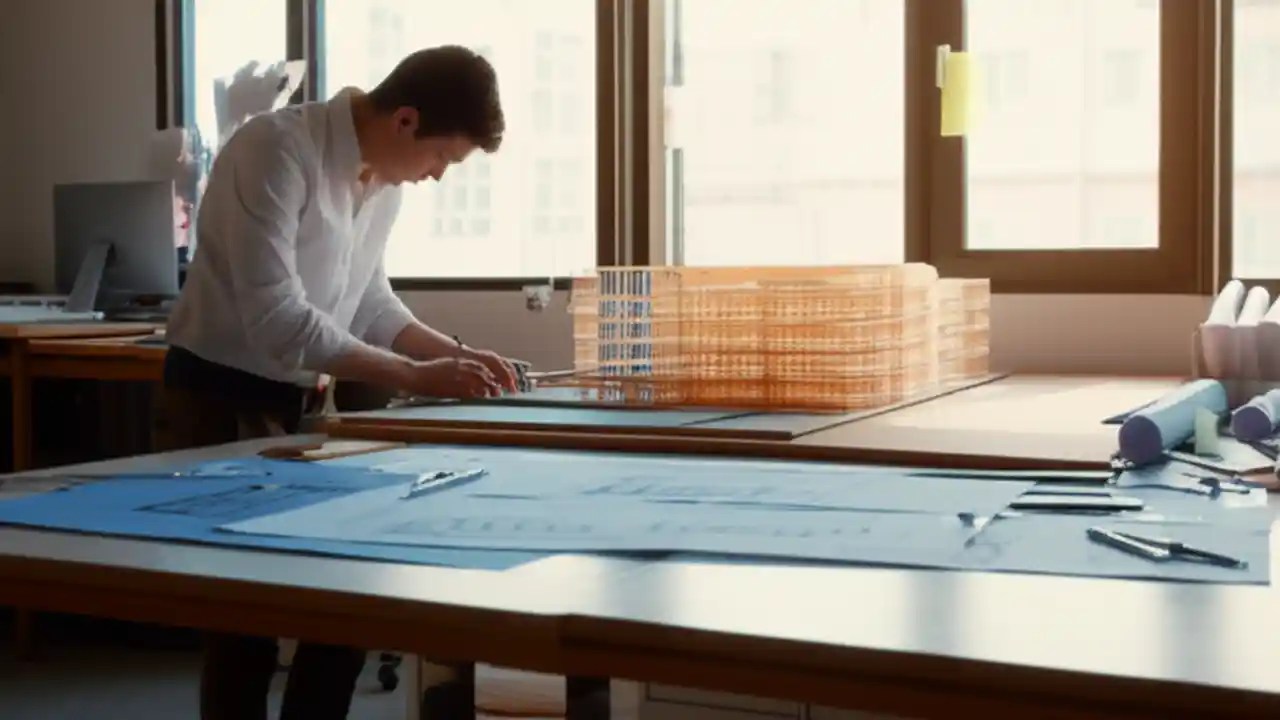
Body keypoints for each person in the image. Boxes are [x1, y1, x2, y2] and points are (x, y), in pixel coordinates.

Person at [156, 45, 515, 720]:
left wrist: (457, 355)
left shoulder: (379, 180)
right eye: (446, 157)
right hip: (221, 394)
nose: (438, 176)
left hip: (303, 400)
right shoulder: (274, 149)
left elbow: (368, 300)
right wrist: (417, 375)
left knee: (345, 599)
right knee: (247, 624)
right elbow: (279, 321)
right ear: (406, 120)